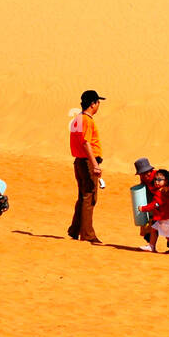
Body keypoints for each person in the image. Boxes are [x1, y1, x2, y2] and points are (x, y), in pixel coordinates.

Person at [68, 90, 105, 244]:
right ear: (92, 104)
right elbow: (85, 142)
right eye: (97, 102)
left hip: (79, 161)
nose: (98, 106)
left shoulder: (76, 119)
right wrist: (95, 164)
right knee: (90, 197)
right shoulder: (87, 121)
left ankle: (75, 229)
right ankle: (87, 234)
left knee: (83, 196)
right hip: (87, 162)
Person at [134, 158, 169, 254]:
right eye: (141, 174)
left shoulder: (159, 177)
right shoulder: (145, 179)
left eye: (145, 173)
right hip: (162, 210)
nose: (143, 176)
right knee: (154, 228)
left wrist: (143, 208)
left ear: (150, 171)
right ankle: (152, 246)